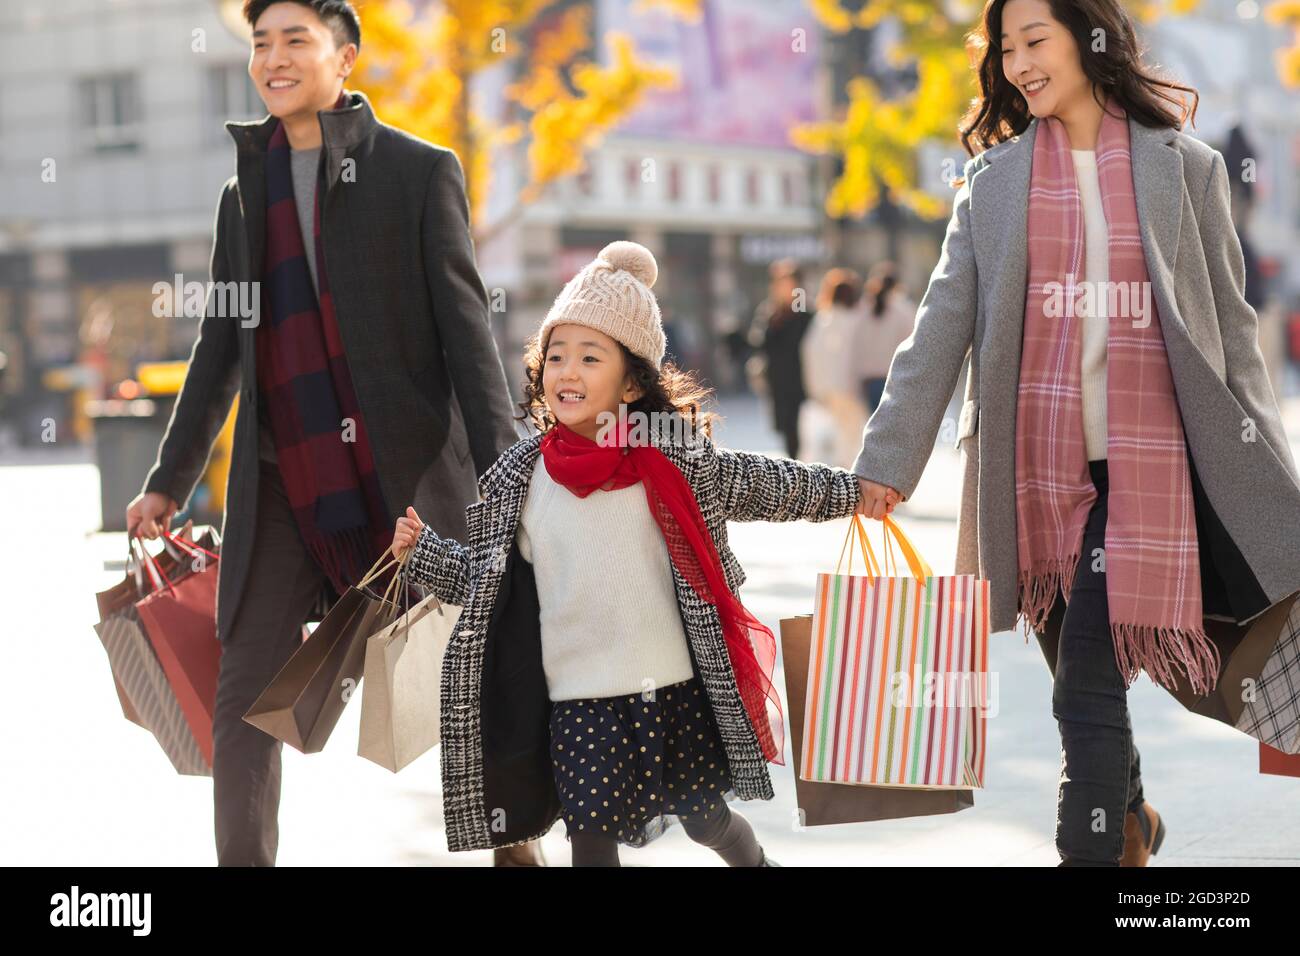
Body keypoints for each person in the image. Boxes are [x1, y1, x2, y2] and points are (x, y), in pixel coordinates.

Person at [853, 0, 1300, 866]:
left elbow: (1232, 335)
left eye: (1035, 41)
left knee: (1082, 684)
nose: (1018, 63)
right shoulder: (994, 184)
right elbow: (939, 330)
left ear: (1091, 40)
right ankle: (1129, 821)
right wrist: (886, 462)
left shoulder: (1186, 168)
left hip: (1154, 473)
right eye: (1006, 49)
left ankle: (1088, 849)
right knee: (1078, 675)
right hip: (1036, 476)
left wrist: (1271, 476)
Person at [125, 0, 524, 866]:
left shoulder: (420, 173)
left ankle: (513, 843)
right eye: (260, 44)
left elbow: (467, 337)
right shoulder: (246, 191)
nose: (272, 58)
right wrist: (169, 476)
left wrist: (511, 476)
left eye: (294, 40)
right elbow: (221, 344)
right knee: (244, 697)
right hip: (284, 486)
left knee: (475, 675)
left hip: (407, 483)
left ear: (345, 58)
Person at [391, 241, 867, 865]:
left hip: (669, 689)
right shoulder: (520, 478)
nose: (569, 372)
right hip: (577, 701)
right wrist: (423, 554)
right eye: (556, 356)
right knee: (590, 842)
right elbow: (488, 581)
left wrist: (855, 492)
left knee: (708, 822)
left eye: (591, 358)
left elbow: (768, 484)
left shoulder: (671, 459)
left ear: (633, 381)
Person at [801, 268, 869, 468]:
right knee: (852, 438)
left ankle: (840, 477)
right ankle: (848, 479)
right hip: (853, 388)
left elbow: (809, 353)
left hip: (829, 390)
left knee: (839, 436)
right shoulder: (858, 320)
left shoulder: (822, 320)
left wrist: (814, 389)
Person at [750, 259, 812, 458]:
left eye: (786, 282)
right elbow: (760, 340)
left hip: (798, 378)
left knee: (797, 430)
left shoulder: (798, 303)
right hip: (778, 378)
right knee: (785, 429)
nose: (781, 287)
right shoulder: (771, 309)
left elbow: (801, 326)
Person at [856, 263, 917, 417]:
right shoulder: (905, 310)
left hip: (870, 380)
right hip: (896, 377)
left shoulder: (863, 310)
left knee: (874, 427)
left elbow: (857, 346)